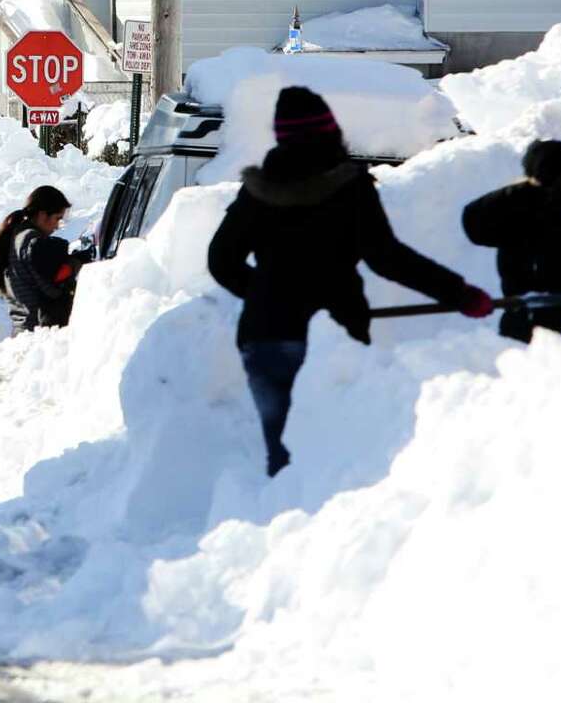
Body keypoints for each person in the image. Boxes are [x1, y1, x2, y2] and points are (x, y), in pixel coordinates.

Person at [206, 87, 492, 478]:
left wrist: (266, 294)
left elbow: (222, 260)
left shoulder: (257, 192)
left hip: (266, 333)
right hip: (337, 333)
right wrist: (460, 294)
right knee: (328, 452)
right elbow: (387, 258)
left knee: (280, 452)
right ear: (330, 132)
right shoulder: (350, 188)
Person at [461, 140, 561, 342]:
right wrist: (530, 193)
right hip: (528, 328)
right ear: (558, 176)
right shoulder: (520, 213)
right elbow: (474, 221)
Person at [0, 186, 91, 333]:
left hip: (23, 332)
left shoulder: (17, 236)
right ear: (42, 215)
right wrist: (75, 263)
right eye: (57, 218)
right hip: (37, 335)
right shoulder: (33, 242)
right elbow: (53, 287)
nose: (57, 226)